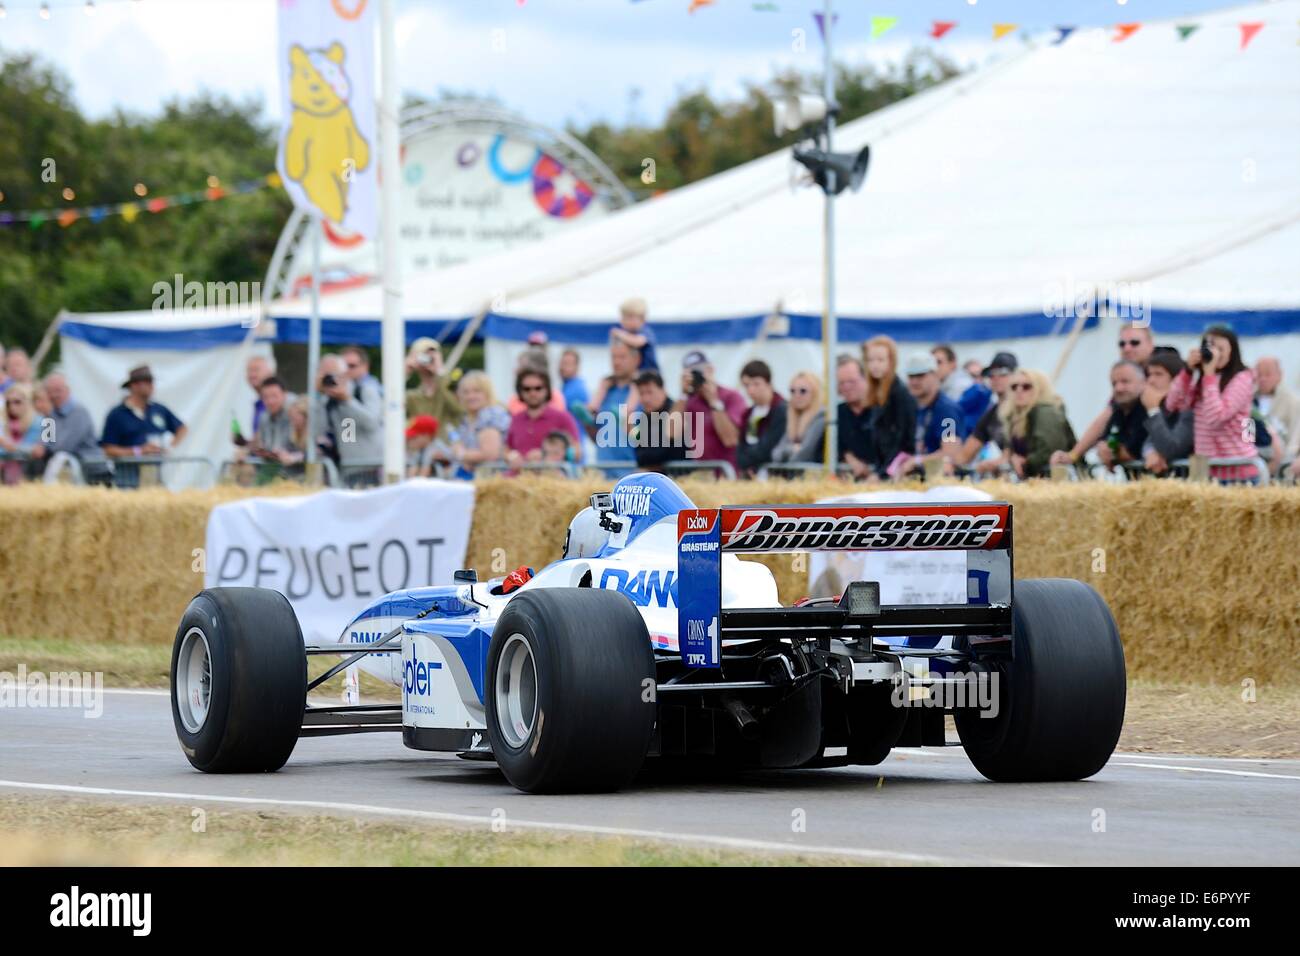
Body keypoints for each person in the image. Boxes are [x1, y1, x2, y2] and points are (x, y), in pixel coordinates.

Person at [1165, 325, 1258, 483]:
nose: (1215, 354)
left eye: (1221, 349)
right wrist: (1187, 371)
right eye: (1210, 348)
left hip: (1237, 469)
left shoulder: (1242, 378)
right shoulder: (1202, 382)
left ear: (1232, 352)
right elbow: (1172, 404)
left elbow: (1216, 417)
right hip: (1207, 470)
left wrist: (1209, 375)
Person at [1050, 361, 1148, 473]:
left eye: (1125, 382)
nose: (1118, 388)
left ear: (1143, 382)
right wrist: (1104, 447)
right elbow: (1106, 438)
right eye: (1114, 383)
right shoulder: (1119, 410)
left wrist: (1113, 451)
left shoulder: (1150, 410)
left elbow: (1133, 452)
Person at [314, 353, 382, 481]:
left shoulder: (364, 391)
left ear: (345, 373)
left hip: (373, 467)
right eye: (326, 376)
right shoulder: (328, 402)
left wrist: (347, 400)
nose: (331, 380)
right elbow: (317, 432)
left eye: (334, 374)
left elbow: (372, 423)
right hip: (348, 470)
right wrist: (318, 397)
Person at [674, 350, 746, 469]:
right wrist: (683, 394)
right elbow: (672, 434)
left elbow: (730, 440)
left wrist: (714, 401)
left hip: (728, 473)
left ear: (711, 369)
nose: (697, 377)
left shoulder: (731, 397)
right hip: (703, 474)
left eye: (699, 371)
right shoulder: (689, 401)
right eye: (692, 373)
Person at [434, 370, 510, 479]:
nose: (471, 396)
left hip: (490, 480)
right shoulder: (467, 418)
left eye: (477, 391)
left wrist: (462, 455)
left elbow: (490, 454)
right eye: (466, 392)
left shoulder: (490, 415)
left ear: (487, 393)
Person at [101, 365, 187, 460]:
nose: (152, 386)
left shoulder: (159, 409)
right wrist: (139, 451)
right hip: (128, 471)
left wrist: (169, 447)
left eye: (151, 382)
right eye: (147, 382)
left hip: (154, 471)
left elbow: (182, 428)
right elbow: (108, 449)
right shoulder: (117, 414)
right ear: (134, 385)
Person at [1000, 369, 1075, 479]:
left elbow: (1049, 451)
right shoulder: (1015, 416)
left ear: (1040, 389)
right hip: (1035, 480)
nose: (1019, 390)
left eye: (1026, 386)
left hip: (1054, 480)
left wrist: (1025, 462)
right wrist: (1014, 458)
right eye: (1014, 386)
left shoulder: (1046, 412)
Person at [859, 335, 917, 479]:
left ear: (891, 362)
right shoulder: (876, 394)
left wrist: (882, 474)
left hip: (897, 472)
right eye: (870, 360)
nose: (874, 365)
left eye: (880, 360)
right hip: (884, 468)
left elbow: (903, 441)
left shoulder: (900, 394)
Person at [952, 351, 1017, 476]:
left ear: (1016, 375)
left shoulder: (1025, 409)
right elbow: (965, 455)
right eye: (991, 374)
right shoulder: (991, 413)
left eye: (1002, 373)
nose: (996, 378)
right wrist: (949, 463)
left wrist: (999, 462)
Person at [903, 352, 968, 471]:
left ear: (935, 375)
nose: (915, 381)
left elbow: (951, 454)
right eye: (911, 376)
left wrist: (916, 461)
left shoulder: (947, 411)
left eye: (920, 375)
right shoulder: (917, 407)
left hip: (944, 483)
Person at [505, 367, 580, 467]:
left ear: (547, 389)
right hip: (518, 478)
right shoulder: (516, 419)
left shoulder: (562, 417)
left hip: (551, 479)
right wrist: (512, 457)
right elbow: (506, 449)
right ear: (520, 391)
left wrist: (548, 455)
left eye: (538, 388)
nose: (532, 393)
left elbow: (577, 453)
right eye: (527, 389)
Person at [38, 372, 107, 480]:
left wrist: (43, 448)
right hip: (68, 472)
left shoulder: (79, 412)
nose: (54, 395)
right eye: (50, 391)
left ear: (68, 390)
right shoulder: (50, 414)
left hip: (91, 473)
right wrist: (42, 446)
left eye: (58, 390)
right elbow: (46, 440)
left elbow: (65, 446)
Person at [584, 339, 641, 465]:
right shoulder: (604, 392)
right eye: (614, 357)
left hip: (632, 471)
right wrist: (587, 422)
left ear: (637, 359)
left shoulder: (644, 391)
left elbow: (650, 439)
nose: (616, 362)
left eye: (622, 357)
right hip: (604, 469)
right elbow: (597, 437)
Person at [1139, 348, 1194, 475]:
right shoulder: (1164, 407)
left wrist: (1153, 410)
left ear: (1177, 379)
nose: (1150, 381)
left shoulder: (1189, 408)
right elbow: (1148, 442)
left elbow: (1172, 448)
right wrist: (1150, 452)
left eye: (1158, 374)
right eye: (1149, 374)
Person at [736, 359, 786, 476]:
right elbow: (740, 447)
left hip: (773, 475)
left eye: (756, 384)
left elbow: (768, 446)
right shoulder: (747, 413)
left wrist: (748, 460)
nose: (751, 390)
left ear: (769, 383)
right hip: (752, 474)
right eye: (747, 385)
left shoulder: (781, 410)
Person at [631, 369, 685, 470]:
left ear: (663, 390)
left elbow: (663, 453)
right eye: (641, 393)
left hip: (679, 479)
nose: (646, 399)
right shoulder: (643, 418)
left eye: (650, 392)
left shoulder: (677, 411)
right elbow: (639, 456)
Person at [1254, 356, 1300, 475]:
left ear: (1279, 375)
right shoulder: (1249, 402)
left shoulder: (1292, 402)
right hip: (1254, 459)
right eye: (1259, 374)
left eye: (1268, 374)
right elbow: (1246, 434)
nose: (1263, 379)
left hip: (1285, 460)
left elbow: (1295, 436)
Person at [932, 344, 992, 433]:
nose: (934, 367)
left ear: (953, 364)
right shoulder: (941, 389)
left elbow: (950, 427)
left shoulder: (963, 388)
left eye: (939, 362)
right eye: (932, 363)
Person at [770, 370, 825, 465]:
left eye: (803, 391)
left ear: (815, 393)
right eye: (792, 391)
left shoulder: (821, 417)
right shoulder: (794, 419)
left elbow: (804, 454)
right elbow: (775, 454)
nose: (797, 395)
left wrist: (786, 453)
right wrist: (791, 449)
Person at [405, 337, 463, 425]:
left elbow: (459, 409)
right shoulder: (412, 396)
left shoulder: (452, 386)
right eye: (423, 355)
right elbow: (390, 408)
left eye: (432, 355)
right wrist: (405, 372)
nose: (427, 359)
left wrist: (439, 371)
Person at [836, 354, 874, 478]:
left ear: (865, 379)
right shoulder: (836, 414)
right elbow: (826, 447)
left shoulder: (880, 410)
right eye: (842, 383)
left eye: (852, 381)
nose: (847, 387)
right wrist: (847, 457)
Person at [250, 376, 300, 465]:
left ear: (284, 395)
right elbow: (263, 446)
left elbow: (305, 448)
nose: (270, 401)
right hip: (273, 469)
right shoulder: (263, 417)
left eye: (274, 396)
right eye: (266, 397)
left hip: (295, 470)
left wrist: (291, 456)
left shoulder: (296, 414)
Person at [1, 383, 38, 483]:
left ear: (27, 402)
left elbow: (38, 451)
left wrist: (9, 446)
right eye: (8, 403)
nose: (12, 406)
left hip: (30, 473)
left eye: (17, 402)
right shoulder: (4, 422)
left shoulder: (42, 422)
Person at [610, 296, 658, 371]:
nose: (625, 321)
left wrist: (620, 334)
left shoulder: (645, 331)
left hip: (650, 372)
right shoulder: (627, 333)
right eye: (623, 318)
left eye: (629, 318)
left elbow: (638, 342)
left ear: (642, 319)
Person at [405, 414, 439, 478]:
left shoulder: (434, 448)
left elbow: (423, 474)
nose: (409, 439)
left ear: (426, 436)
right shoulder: (419, 448)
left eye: (414, 437)